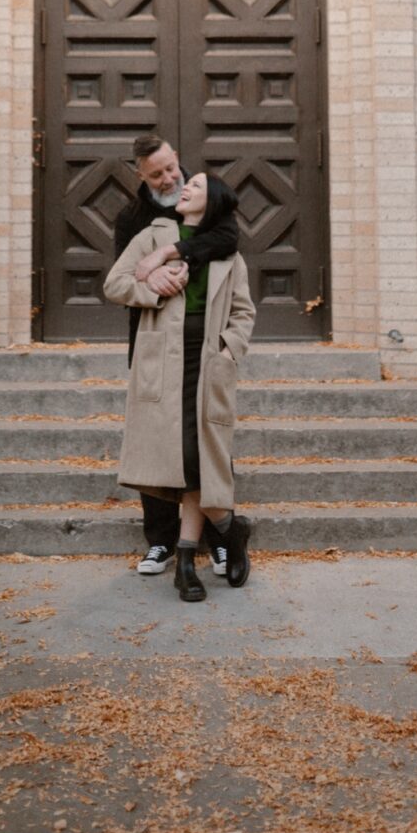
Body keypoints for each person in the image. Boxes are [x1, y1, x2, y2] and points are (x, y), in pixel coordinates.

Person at [106, 171, 257, 602]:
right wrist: (150, 285)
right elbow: (115, 284)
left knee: (195, 459)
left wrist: (229, 351)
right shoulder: (149, 238)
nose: (185, 187)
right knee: (184, 460)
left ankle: (189, 557)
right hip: (164, 361)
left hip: (208, 363)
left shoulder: (228, 254)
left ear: (210, 204)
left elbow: (244, 312)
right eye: (186, 182)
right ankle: (227, 530)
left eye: (196, 186)